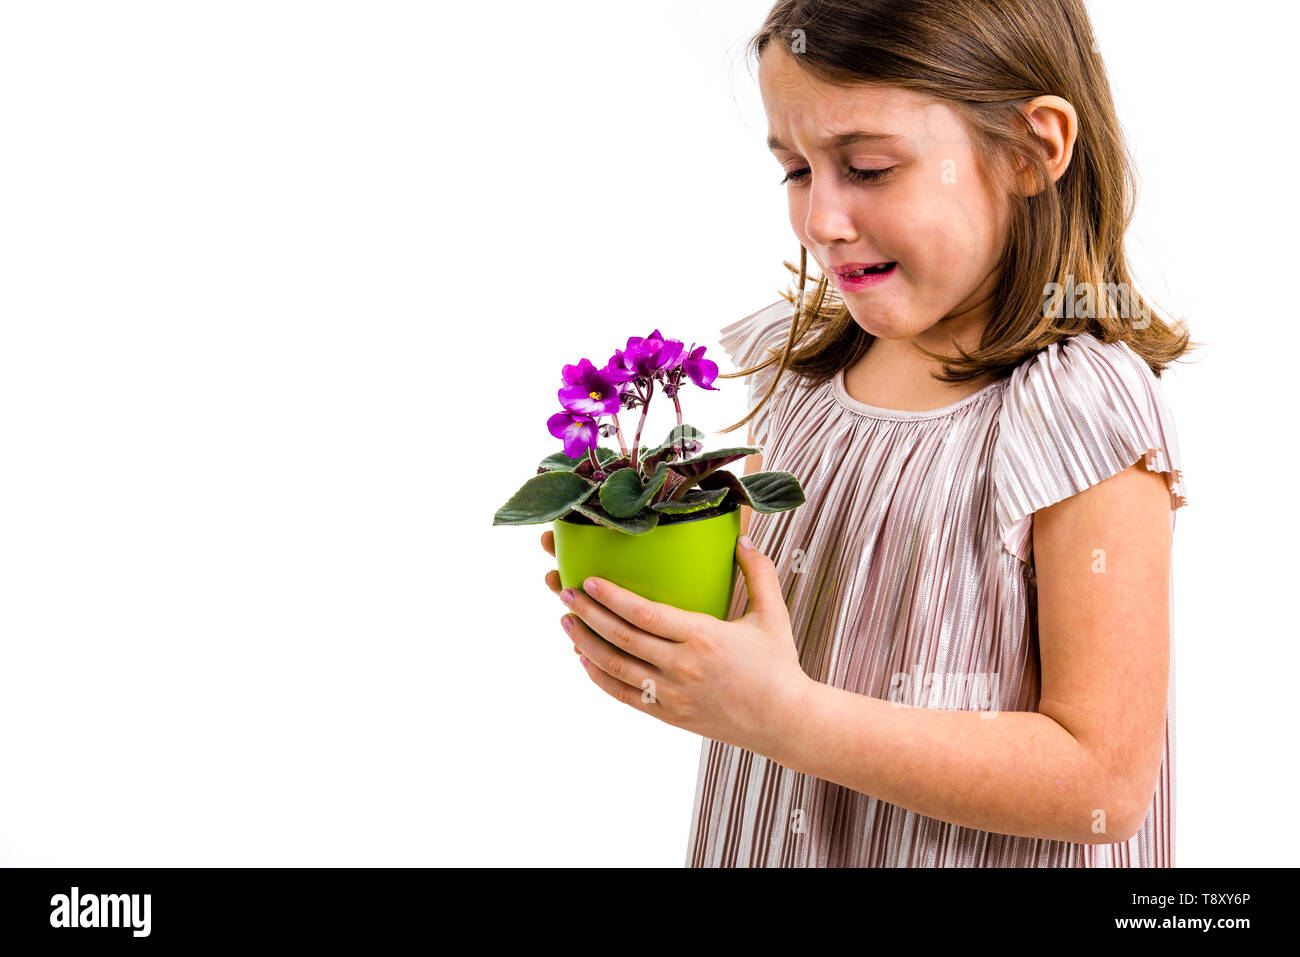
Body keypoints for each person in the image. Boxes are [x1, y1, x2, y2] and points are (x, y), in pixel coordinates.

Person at [542, 0, 1196, 866]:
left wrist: (784, 716)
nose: (821, 219)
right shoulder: (803, 372)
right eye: (796, 171)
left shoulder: (1079, 406)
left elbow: (1103, 786)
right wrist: (676, 636)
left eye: (870, 167)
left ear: (1035, 149)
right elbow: (818, 633)